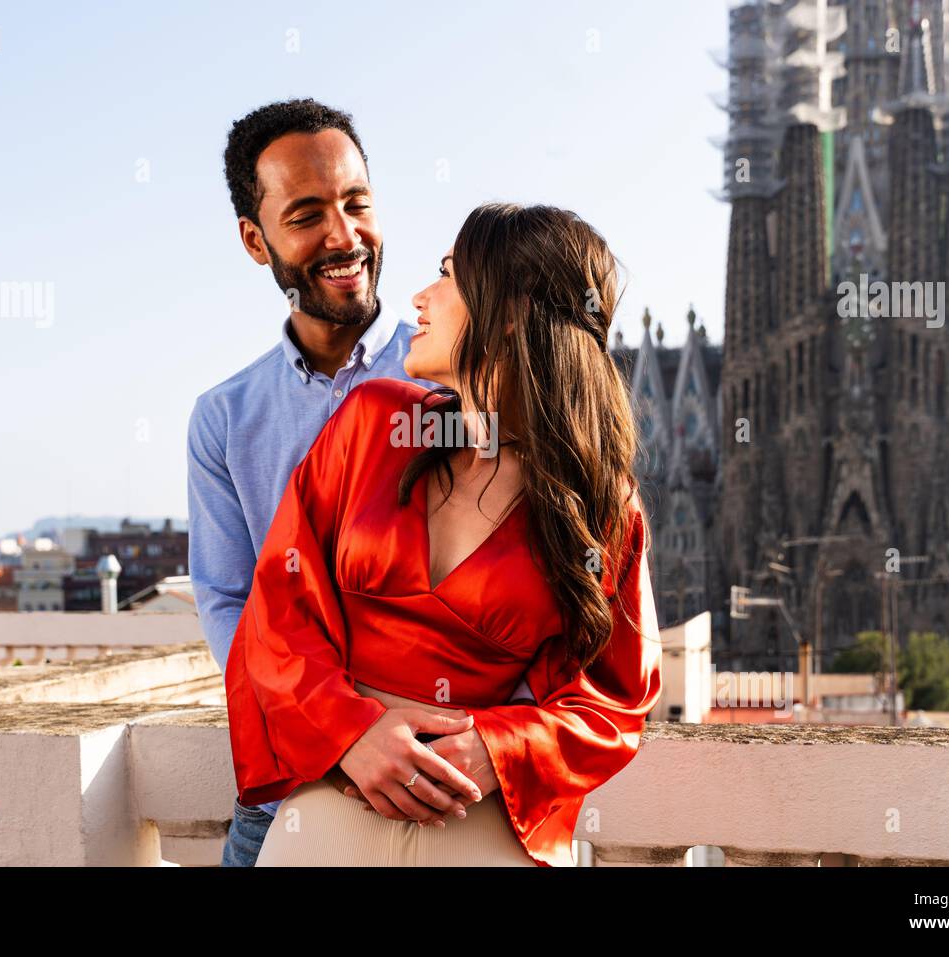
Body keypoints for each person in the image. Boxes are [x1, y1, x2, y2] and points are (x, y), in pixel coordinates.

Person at [226, 202, 665, 866]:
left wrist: (498, 748)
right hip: (331, 800)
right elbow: (276, 609)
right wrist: (351, 734)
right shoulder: (372, 423)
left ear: (511, 309)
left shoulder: (602, 505)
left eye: (447, 275)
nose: (419, 297)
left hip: (476, 820)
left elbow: (617, 699)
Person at [187, 98, 533, 868]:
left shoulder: (460, 373)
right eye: (307, 214)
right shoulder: (225, 419)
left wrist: (463, 739)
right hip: (287, 804)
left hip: (449, 803)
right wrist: (344, 729)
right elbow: (233, 604)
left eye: (357, 203)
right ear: (256, 239)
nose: (344, 237)